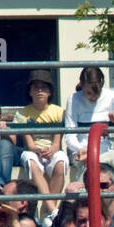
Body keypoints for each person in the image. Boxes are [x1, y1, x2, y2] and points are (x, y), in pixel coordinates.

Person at [64, 66, 114, 190]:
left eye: (97, 92)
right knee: (87, 170)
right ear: (82, 86)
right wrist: (81, 149)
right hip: (81, 150)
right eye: (88, 92)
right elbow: (69, 135)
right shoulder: (73, 99)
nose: (92, 97)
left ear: (101, 84)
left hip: (105, 150)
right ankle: (84, 203)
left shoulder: (111, 96)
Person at [15, 69, 69, 197]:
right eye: (35, 88)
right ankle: (52, 209)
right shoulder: (22, 113)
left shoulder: (59, 112)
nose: (40, 91)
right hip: (33, 151)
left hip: (53, 150)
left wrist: (51, 150)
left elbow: (57, 143)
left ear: (50, 91)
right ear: (30, 91)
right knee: (32, 162)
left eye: (44, 88)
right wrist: (38, 150)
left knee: (61, 162)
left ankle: (48, 210)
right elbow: (30, 145)